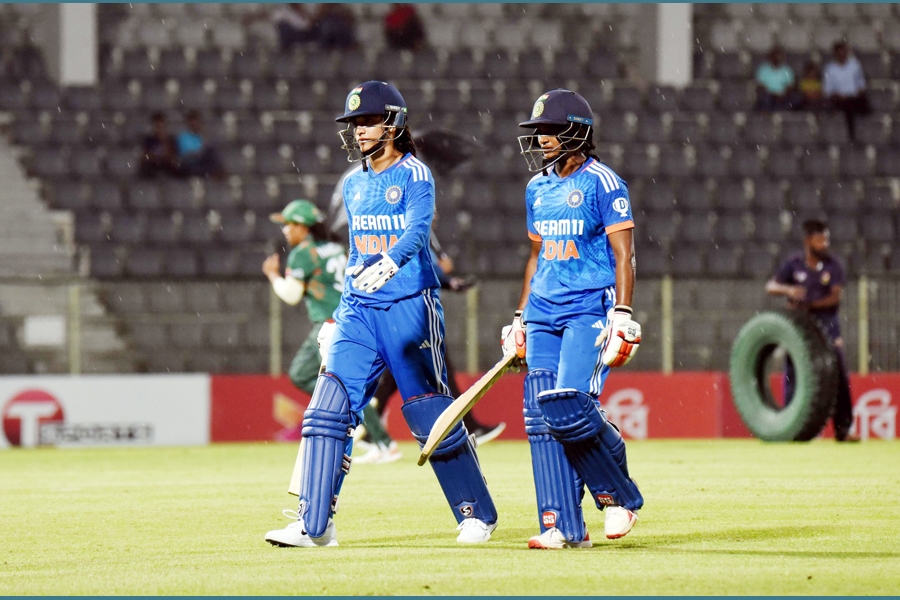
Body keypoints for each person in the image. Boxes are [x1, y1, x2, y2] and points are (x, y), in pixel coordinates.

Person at [264, 81, 497, 548]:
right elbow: (355, 251)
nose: (358, 131)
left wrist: (391, 262)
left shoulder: (416, 175)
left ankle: (477, 513)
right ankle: (315, 524)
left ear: (393, 122)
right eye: (354, 124)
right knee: (328, 411)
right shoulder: (353, 183)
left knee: (430, 415)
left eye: (367, 121)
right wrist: (339, 315)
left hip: (410, 305)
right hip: (359, 309)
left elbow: (416, 231)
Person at [504, 89, 643, 550]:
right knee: (540, 416)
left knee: (568, 406)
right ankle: (563, 526)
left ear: (577, 132)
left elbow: (625, 256)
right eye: (538, 131)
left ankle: (618, 497)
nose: (541, 139)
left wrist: (621, 312)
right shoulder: (537, 187)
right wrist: (521, 315)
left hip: (588, 307)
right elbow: (536, 256)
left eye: (550, 130)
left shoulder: (604, 182)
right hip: (542, 310)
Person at [765, 219, 859, 442]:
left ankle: (843, 430)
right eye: (820, 239)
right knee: (793, 373)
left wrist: (808, 304)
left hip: (827, 328)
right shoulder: (794, 264)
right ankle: (791, 427)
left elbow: (835, 297)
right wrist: (789, 290)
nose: (825, 243)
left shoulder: (832, 265)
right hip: (800, 328)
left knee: (837, 375)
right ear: (808, 240)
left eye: (826, 238)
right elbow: (771, 286)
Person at [263, 199, 346, 443]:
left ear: (302, 227)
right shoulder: (335, 246)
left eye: (289, 224)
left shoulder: (303, 254)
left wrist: (272, 276)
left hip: (327, 325)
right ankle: (375, 435)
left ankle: (370, 431)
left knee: (301, 374)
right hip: (348, 320)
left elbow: (291, 295)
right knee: (341, 379)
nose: (285, 230)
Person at [823, 41, 870, 140]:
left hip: (854, 97)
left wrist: (859, 91)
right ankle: (851, 136)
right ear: (835, 54)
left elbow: (861, 83)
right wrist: (839, 96)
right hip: (839, 99)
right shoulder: (830, 69)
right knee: (847, 105)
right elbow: (828, 90)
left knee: (858, 104)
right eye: (839, 53)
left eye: (843, 52)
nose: (842, 55)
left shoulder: (855, 65)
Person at [175, 111, 224, 178]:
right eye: (192, 123)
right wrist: (199, 153)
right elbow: (184, 154)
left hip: (202, 161)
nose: (194, 125)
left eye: (196, 122)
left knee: (212, 151)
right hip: (189, 162)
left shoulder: (203, 136)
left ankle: (217, 173)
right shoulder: (183, 137)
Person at [755, 46, 796, 111]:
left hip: (783, 96)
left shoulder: (787, 70)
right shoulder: (763, 69)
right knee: (764, 98)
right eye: (775, 56)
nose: (777, 58)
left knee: (794, 99)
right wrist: (772, 95)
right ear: (771, 57)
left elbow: (790, 86)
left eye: (779, 56)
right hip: (768, 95)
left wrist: (783, 94)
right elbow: (760, 85)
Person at [139, 112, 179, 178]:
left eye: (161, 125)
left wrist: (163, 139)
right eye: (157, 125)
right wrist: (156, 157)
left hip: (167, 166)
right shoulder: (148, 140)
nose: (159, 128)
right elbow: (145, 156)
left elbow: (172, 157)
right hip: (153, 165)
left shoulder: (171, 139)